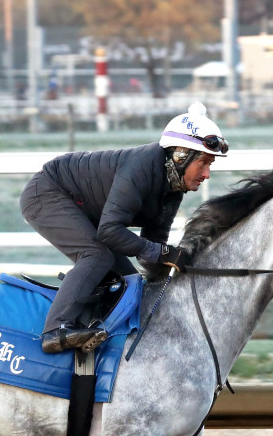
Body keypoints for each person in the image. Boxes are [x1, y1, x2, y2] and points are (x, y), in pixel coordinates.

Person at [19, 102, 229, 354]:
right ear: (180, 156)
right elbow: (110, 232)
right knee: (97, 255)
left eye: (210, 165)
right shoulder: (142, 166)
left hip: (85, 208)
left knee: (131, 283)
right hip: (47, 192)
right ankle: (56, 330)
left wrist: (178, 267)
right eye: (203, 163)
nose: (207, 174)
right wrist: (163, 253)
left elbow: (152, 248)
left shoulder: (173, 189)